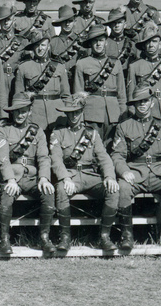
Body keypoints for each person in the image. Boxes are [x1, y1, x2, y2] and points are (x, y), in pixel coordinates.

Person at [110, 85, 161, 251]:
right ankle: (127, 236)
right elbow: (117, 155)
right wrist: (124, 171)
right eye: (138, 102)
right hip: (135, 173)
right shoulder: (124, 127)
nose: (142, 104)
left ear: (152, 102)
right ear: (134, 104)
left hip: (160, 174)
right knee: (122, 188)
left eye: (145, 101)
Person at [48, 94, 123, 254]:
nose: (73, 116)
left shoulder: (92, 133)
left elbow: (104, 157)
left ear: (82, 111)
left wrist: (110, 177)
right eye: (70, 112)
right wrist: (65, 178)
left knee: (113, 189)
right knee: (61, 189)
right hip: (71, 176)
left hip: (91, 176)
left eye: (77, 112)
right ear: (66, 113)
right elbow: (56, 159)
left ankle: (105, 236)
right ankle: (65, 238)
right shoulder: (58, 133)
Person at [0, 93, 54, 255]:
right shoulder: (3, 130)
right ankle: (4, 240)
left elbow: (43, 157)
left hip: (32, 177)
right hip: (11, 176)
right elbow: (2, 158)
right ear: (12, 112)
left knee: (48, 193)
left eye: (24, 111)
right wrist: (10, 180)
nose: (20, 115)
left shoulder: (37, 131)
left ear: (29, 111)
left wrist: (44, 178)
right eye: (17, 111)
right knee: (6, 196)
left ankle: (44, 238)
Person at [72, 24, 127, 141]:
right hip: (92, 114)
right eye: (95, 41)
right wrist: (80, 118)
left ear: (106, 42)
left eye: (101, 40)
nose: (98, 44)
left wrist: (123, 114)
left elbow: (121, 93)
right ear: (91, 44)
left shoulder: (115, 63)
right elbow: (78, 95)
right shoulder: (82, 64)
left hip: (113, 114)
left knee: (112, 148)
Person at [126, 22, 161, 128]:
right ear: (143, 45)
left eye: (154, 41)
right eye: (148, 42)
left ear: (160, 44)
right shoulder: (134, 66)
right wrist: (135, 118)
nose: (151, 45)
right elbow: (131, 98)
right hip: (146, 115)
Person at [12, 30, 70, 132]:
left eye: (43, 45)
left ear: (48, 46)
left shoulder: (59, 67)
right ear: (33, 47)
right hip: (35, 115)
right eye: (37, 45)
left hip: (57, 114)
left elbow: (66, 95)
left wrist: (67, 116)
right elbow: (18, 98)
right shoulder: (23, 67)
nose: (40, 48)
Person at [50, 4, 85, 72]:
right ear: (60, 23)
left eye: (70, 21)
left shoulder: (81, 41)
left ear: (74, 22)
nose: (67, 24)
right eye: (64, 21)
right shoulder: (53, 42)